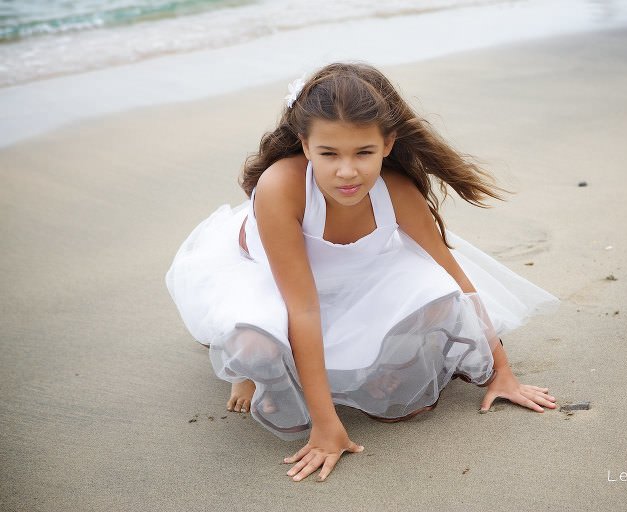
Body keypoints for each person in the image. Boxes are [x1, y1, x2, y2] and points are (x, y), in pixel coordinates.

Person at [165, 62, 559, 483]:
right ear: (304, 144)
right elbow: (303, 306)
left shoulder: (398, 192)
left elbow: (458, 278)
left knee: (438, 297)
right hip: (273, 279)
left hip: (357, 274)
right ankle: (250, 373)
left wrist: (502, 371)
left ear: (388, 144)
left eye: (363, 153)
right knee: (252, 344)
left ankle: (370, 365)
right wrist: (326, 423)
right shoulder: (281, 186)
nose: (347, 172)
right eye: (328, 154)